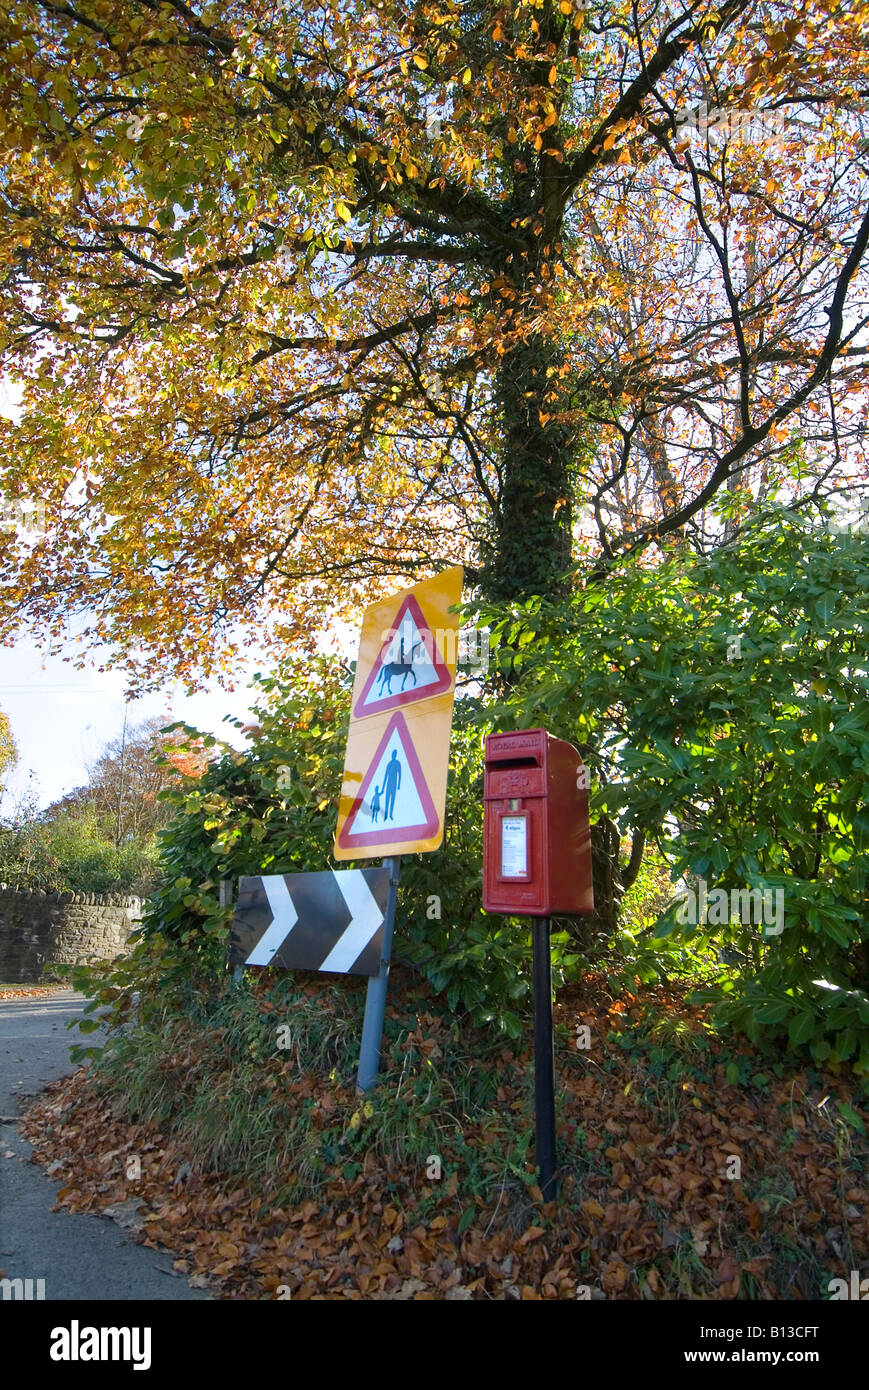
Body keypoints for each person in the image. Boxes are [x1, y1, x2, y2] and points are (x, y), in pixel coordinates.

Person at [381, 750, 401, 820]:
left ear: (396, 755)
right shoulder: (389, 764)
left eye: (394, 754)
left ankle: (391, 815)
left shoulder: (398, 763)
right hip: (388, 784)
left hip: (394, 784)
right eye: (392, 754)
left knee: (392, 800)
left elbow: (400, 774)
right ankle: (386, 815)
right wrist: (383, 788)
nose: (393, 755)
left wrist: (399, 784)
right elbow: (385, 776)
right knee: (387, 799)